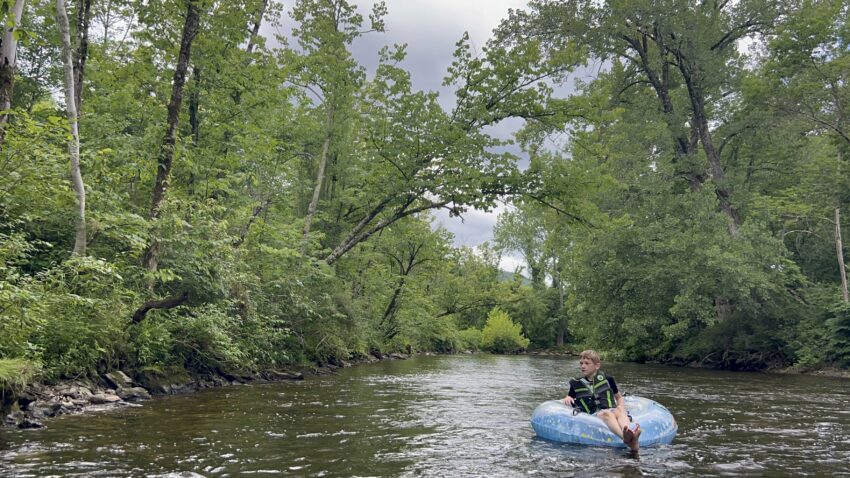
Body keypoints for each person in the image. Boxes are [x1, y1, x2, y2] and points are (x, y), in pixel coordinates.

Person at [562, 349, 641, 451]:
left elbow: (619, 397)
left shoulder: (608, 379)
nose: (583, 366)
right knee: (607, 413)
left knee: (619, 410)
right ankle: (626, 438)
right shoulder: (576, 383)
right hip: (595, 414)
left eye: (587, 363)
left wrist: (621, 406)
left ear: (597, 366)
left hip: (611, 409)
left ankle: (628, 432)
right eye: (581, 363)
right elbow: (570, 396)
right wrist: (568, 397)